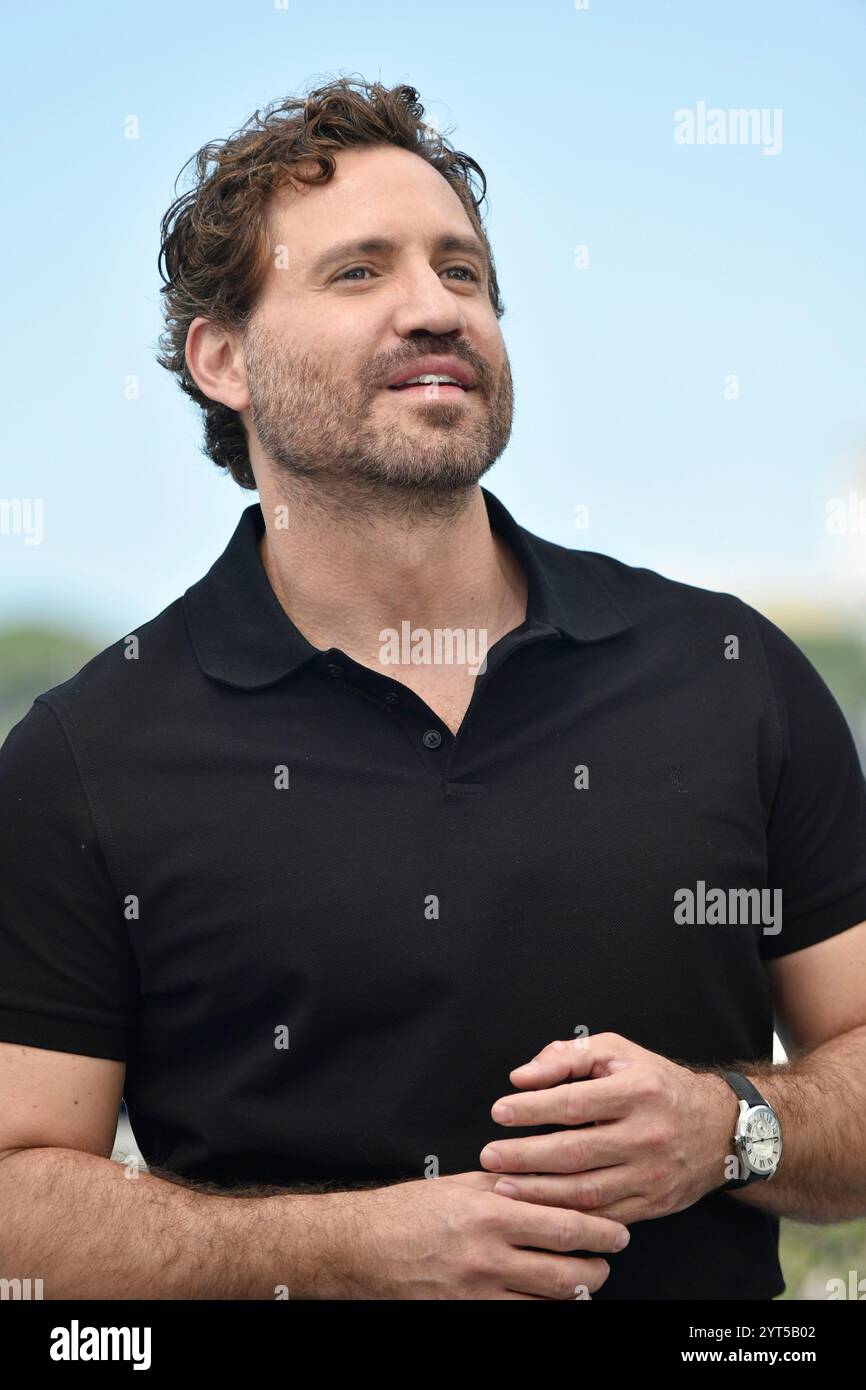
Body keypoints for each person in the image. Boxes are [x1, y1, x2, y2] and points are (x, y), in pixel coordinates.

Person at [1, 77, 865, 1301]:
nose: (433, 307)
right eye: (358, 273)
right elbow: (16, 1199)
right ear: (222, 359)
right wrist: (337, 1254)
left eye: (461, 272)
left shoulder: (724, 669)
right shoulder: (82, 759)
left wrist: (728, 1126)